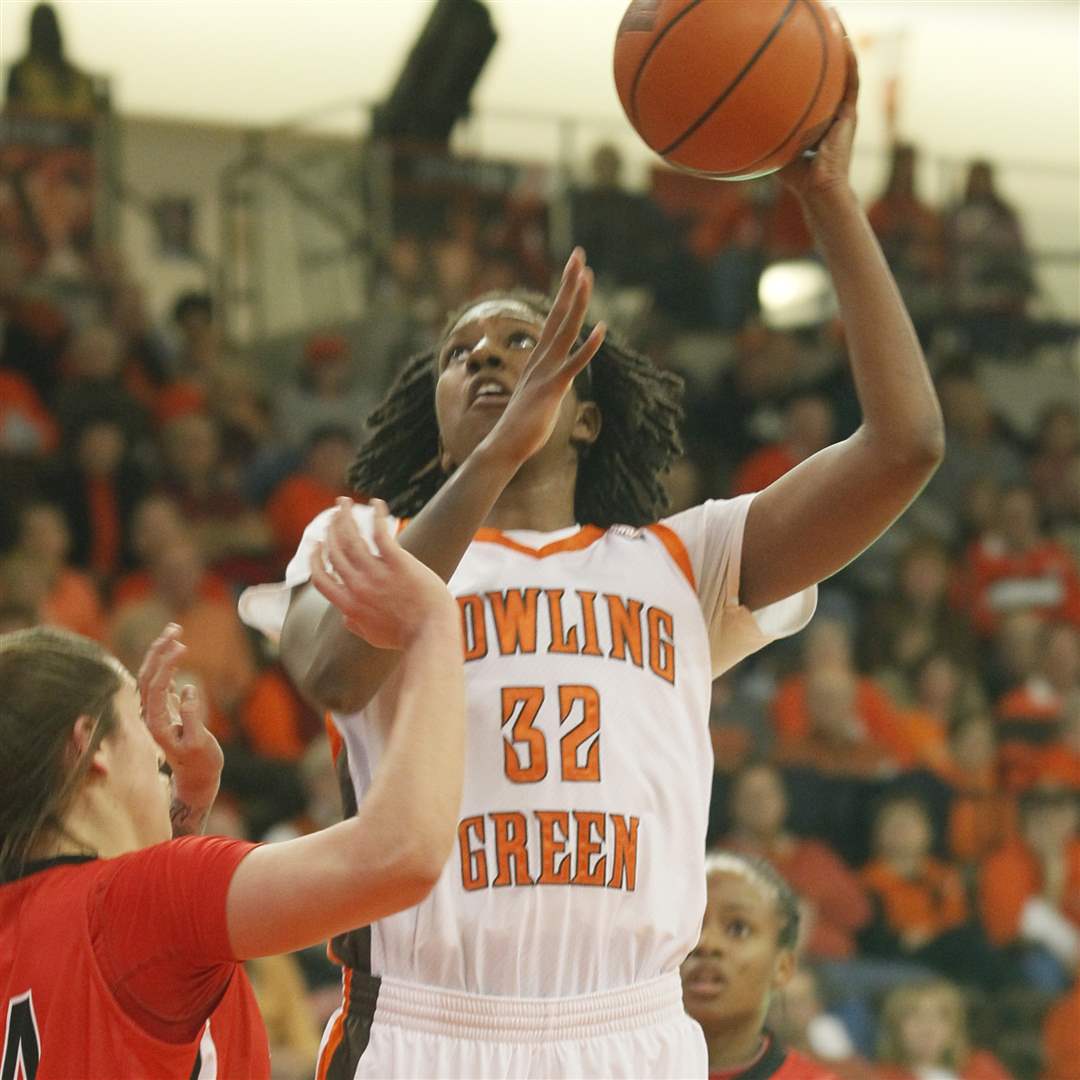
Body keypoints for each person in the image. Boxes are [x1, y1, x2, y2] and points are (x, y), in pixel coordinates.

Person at [242, 39, 946, 1079]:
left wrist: (832, 201)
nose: (487, 356)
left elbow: (905, 447)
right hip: (430, 1024)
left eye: (524, 342)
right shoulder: (364, 541)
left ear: (587, 419)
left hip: (629, 1031)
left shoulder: (682, 560)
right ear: (434, 426)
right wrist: (488, 462)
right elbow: (336, 668)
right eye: (460, 355)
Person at [0, 501, 465, 1078]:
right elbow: (404, 855)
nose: (157, 751)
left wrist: (180, 817)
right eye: (134, 718)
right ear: (89, 745)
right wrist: (434, 627)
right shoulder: (145, 902)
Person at [682, 851, 842, 1079]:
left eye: (738, 928)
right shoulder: (619, 1066)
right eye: (692, 924)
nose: (706, 943)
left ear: (783, 967)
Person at [875, 979, 1012, 1080]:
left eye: (941, 1018)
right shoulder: (880, 1076)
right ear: (895, 1027)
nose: (928, 1028)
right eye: (914, 1017)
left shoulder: (982, 1066)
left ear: (955, 1028)